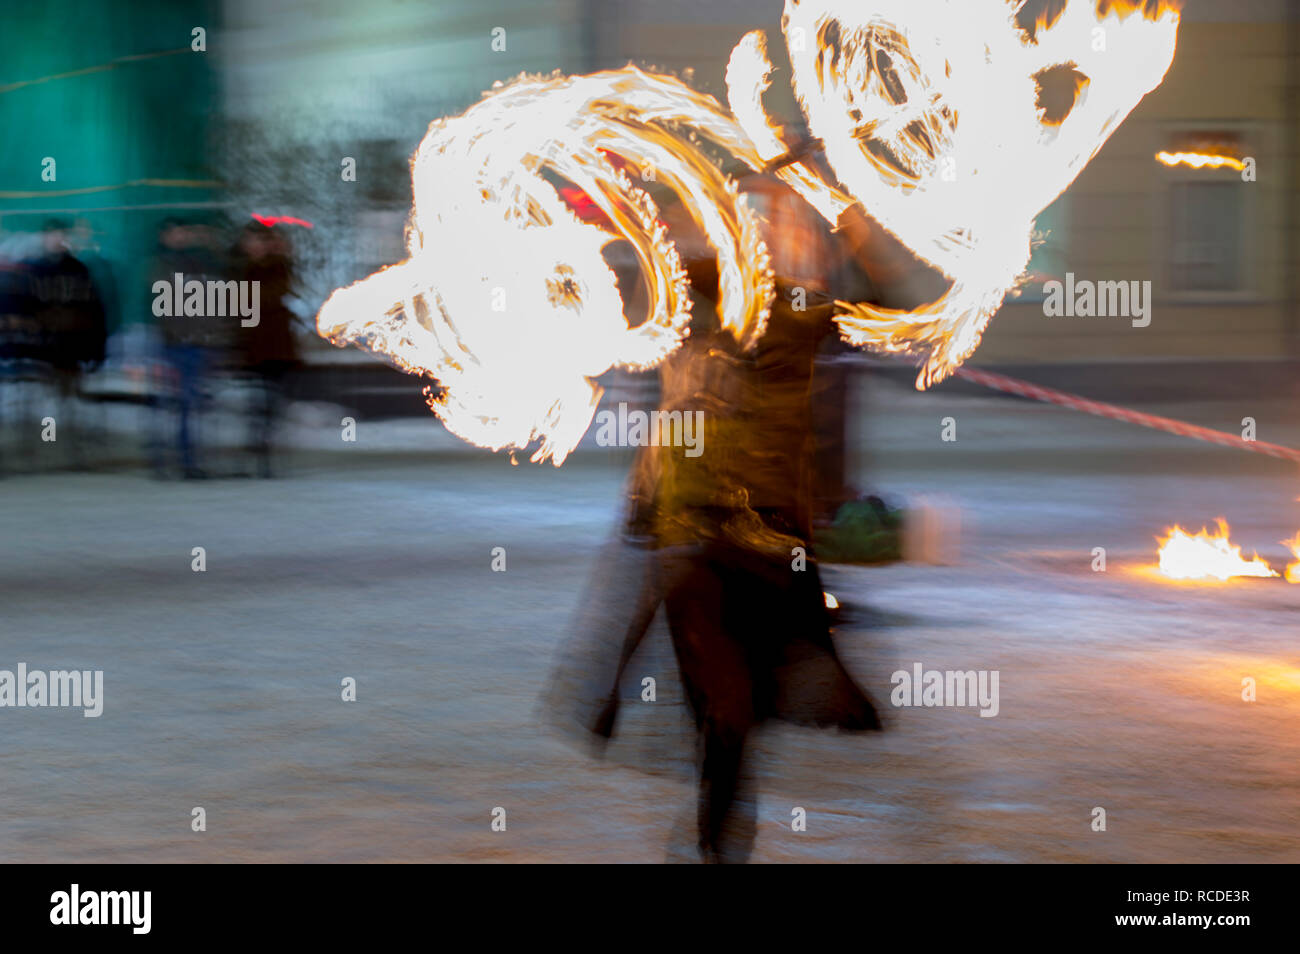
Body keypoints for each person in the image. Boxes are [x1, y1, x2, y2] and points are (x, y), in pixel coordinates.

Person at [26, 219, 108, 467]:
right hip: (45, 348)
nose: (57, 240)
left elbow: (93, 311)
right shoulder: (35, 271)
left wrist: (95, 348)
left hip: (71, 347)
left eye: (60, 235)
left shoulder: (78, 270)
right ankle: (50, 450)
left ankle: (73, 451)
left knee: (70, 404)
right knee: (48, 405)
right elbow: (28, 310)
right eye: (52, 235)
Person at [150, 218, 227, 479]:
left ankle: (187, 460)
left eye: (184, 232)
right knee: (170, 404)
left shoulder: (199, 262)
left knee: (189, 404)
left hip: (195, 343)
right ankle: (165, 460)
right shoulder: (160, 265)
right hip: (170, 344)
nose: (181, 237)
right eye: (175, 233)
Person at [229, 221, 300, 478]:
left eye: (257, 240)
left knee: (268, 405)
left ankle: (264, 458)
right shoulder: (243, 268)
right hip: (253, 348)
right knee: (256, 406)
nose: (252, 246)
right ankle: (256, 457)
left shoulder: (276, 268)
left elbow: (260, 299)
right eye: (249, 240)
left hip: (274, 348)